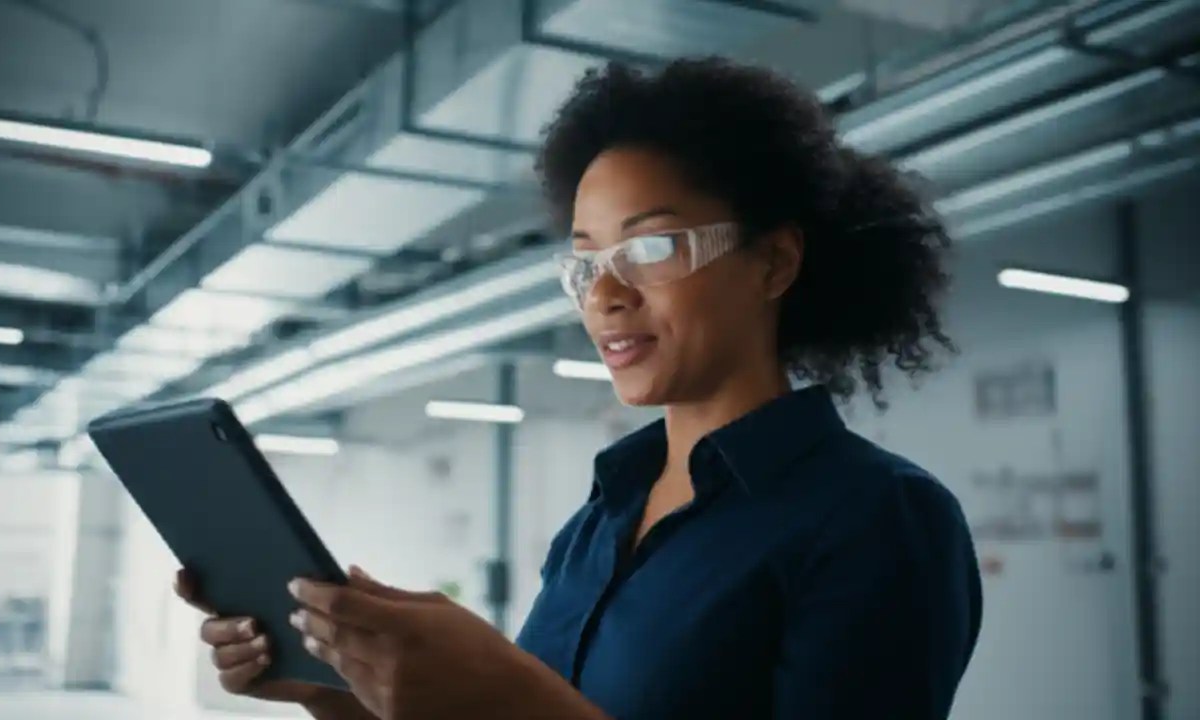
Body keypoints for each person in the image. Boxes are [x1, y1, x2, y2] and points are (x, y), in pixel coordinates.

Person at [175, 57, 982, 719]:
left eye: (653, 247)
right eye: (586, 260)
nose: (604, 295)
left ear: (774, 261)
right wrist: (339, 689)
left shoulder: (879, 518)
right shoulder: (600, 521)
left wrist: (507, 694)